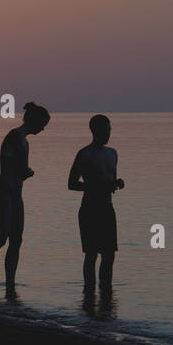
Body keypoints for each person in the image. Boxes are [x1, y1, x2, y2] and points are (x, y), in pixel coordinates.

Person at [0, 102, 50, 300]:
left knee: (16, 239)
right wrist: (30, 172)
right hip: (4, 192)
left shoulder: (21, 138)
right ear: (34, 120)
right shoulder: (17, 138)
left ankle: (10, 284)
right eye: (43, 124)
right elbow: (22, 170)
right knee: (0, 239)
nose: (43, 129)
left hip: (15, 193)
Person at [68, 114, 124, 293]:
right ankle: (89, 291)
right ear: (95, 131)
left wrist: (117, 184)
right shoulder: (84, 154)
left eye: (109, 129)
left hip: (107, 208)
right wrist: (95, 187)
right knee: (91, 255)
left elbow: (111, 181)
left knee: (109, 255)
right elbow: (72, 184)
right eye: (105, 130)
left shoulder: (112, 153)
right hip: (90, 209)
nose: (109, 133)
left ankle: (106, 291)